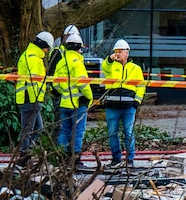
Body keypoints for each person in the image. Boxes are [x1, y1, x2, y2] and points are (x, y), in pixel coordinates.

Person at [102, 39, 145, 169]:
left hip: (128, 106)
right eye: (116, 52)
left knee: (129, 133)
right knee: (112, 133)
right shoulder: (111, 66)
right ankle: (116, 159)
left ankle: (129, 159)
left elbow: (141, 86)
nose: (118, 54)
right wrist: (110, 58)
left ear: (127, 53)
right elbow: (105, 66)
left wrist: (137, 101)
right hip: (112, 105)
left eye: (120, 52)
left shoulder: (135, 69)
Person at [54, 31, 92, 163]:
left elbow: (55, 83)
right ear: (78, 48)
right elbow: (83, 84)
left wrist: (65, 92)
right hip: (78, 103)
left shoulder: (61, 62)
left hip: (65, 103)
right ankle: (75, 159)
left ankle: (61, 157)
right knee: (78, 133)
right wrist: (89, 97)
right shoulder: (77, 63)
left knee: (65, 131)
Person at [15, 31, 54, 160]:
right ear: (43, 45)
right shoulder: (33, 58)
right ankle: (23, 156)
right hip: (30, 99)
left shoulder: (30, 55)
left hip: (30, 98)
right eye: (48, 48)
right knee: (28, 130)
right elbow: (33, 81)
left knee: (38, 129)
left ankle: (27, 152)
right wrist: (36, 100)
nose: (48, 51)